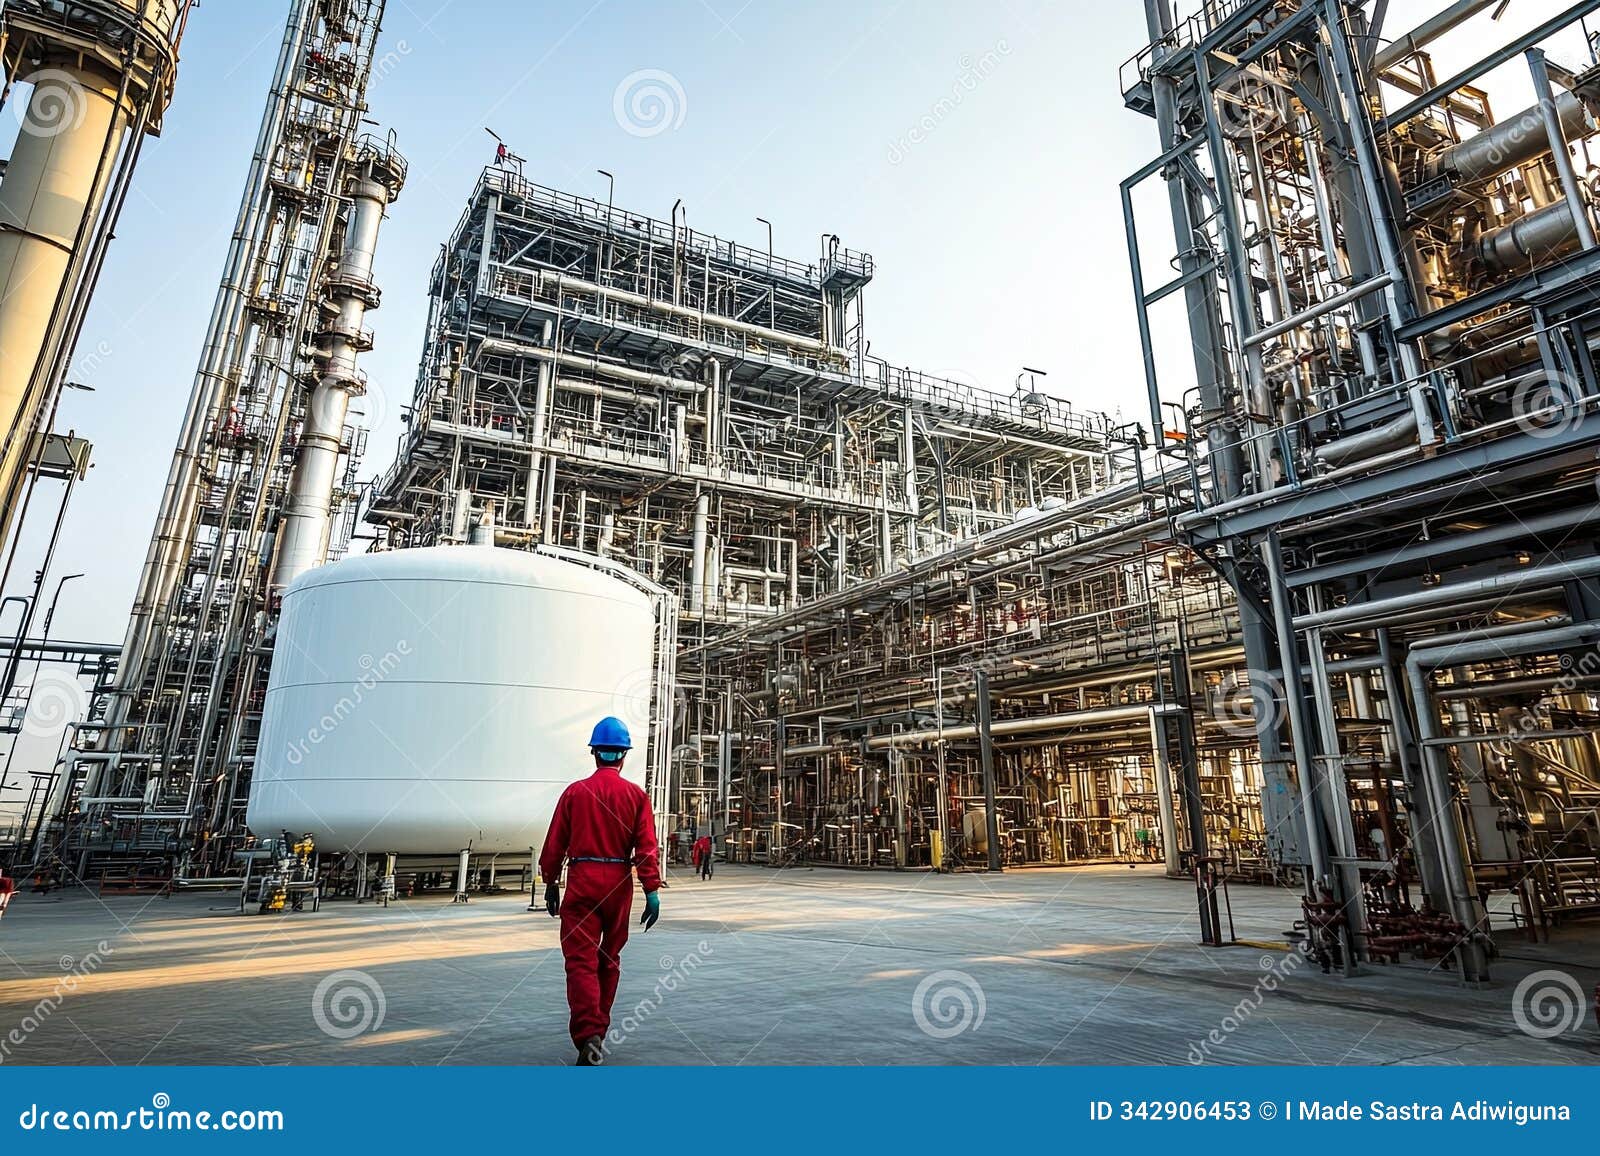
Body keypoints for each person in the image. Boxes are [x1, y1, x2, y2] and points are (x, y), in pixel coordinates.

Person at [539, 716, 661, 1066]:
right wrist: (651, 888)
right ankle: (598, 1031)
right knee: (609, 959)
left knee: (580, 961)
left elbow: (554, 844)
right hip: (618, 883)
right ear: (623, 755)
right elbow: (646, 847)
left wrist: (550, 881)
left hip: (582, 879)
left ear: (594, 753)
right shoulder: (637, 796)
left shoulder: (575, 793)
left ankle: (589, 1033)